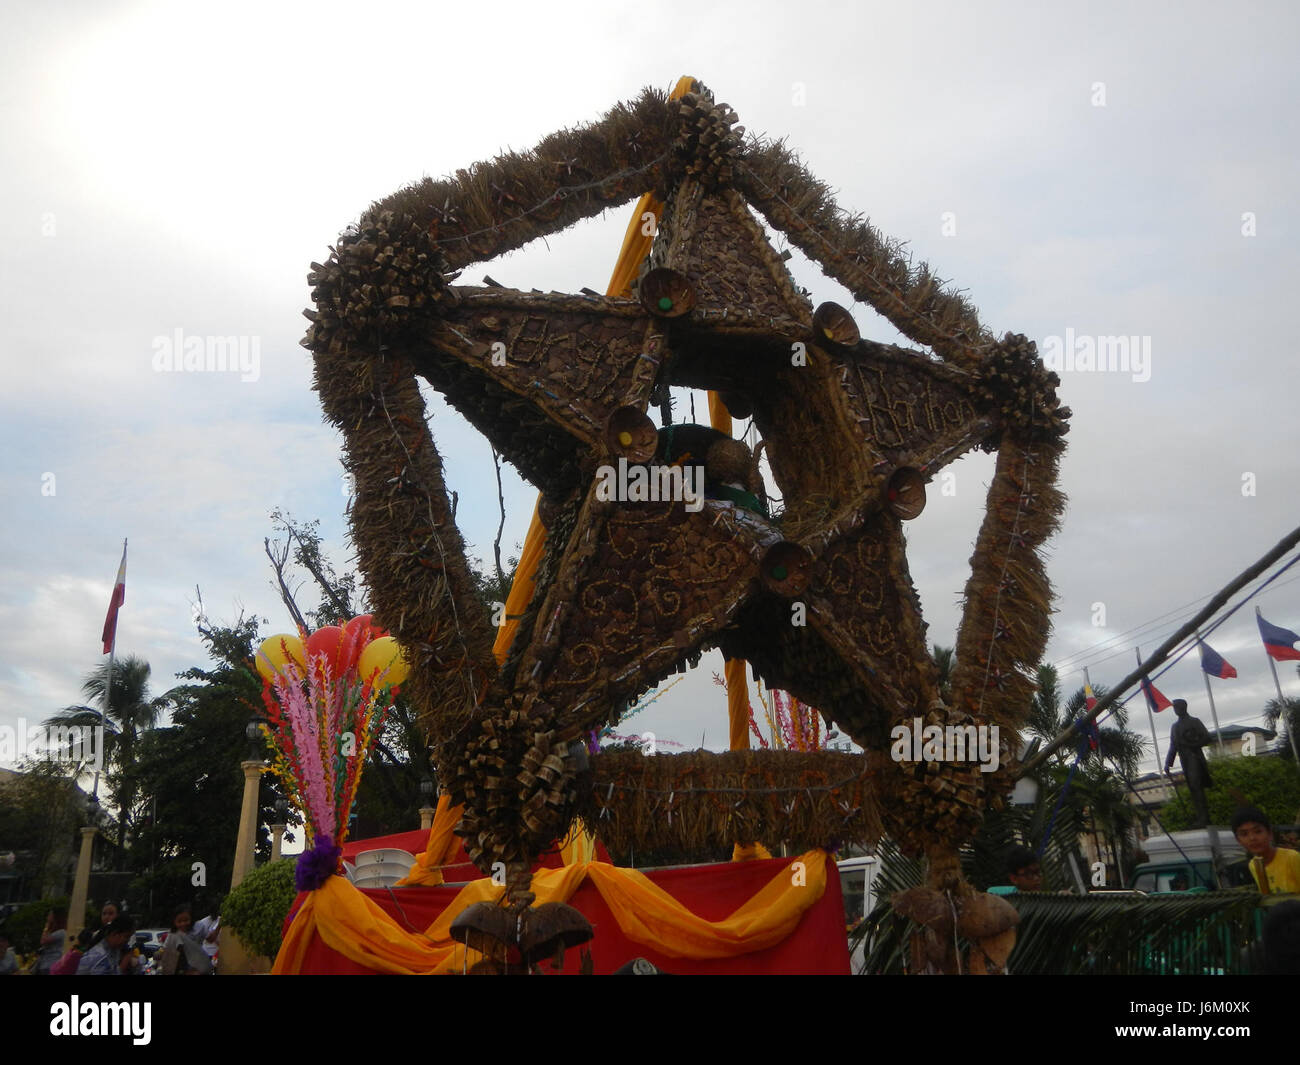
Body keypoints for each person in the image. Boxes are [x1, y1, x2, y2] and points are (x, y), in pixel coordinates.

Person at [1163, 699, 1214, 828]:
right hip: (1184, 759)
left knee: (1197, 786)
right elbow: (1173, 745)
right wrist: (1168, 763)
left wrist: (1193, 745)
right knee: (1192, 788)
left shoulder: (1194, 721)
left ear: (1184, 707)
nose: (1176, 709)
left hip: (1195, 757)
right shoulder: (1174, 727)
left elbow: (1207, 738)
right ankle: (1200, 817)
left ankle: (1204, 818)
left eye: (1178, 707)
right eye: (1174, 707)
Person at [1232, 806, 1300, 894]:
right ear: (1238, 840)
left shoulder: (1292, 857)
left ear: (1270, 833)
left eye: (1258, 831)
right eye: (1244, 834)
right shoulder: (1253, 865)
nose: (1252, 838)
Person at [156, 906, 212, 975]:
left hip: (200, 966)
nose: (183, 924)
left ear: (191, 918)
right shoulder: (174, 935)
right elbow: (167, 954)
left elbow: (211, 939)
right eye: (179, 921)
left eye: (186, 920)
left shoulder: (200, 927)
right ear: (174, 922)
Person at [34, 907, 68, 975]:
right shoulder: (52, 932)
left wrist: (46, 927)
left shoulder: (61, 932)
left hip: (52, 963)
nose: (48, 917)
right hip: (44, 963)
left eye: (50, 915)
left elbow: (43, 941)